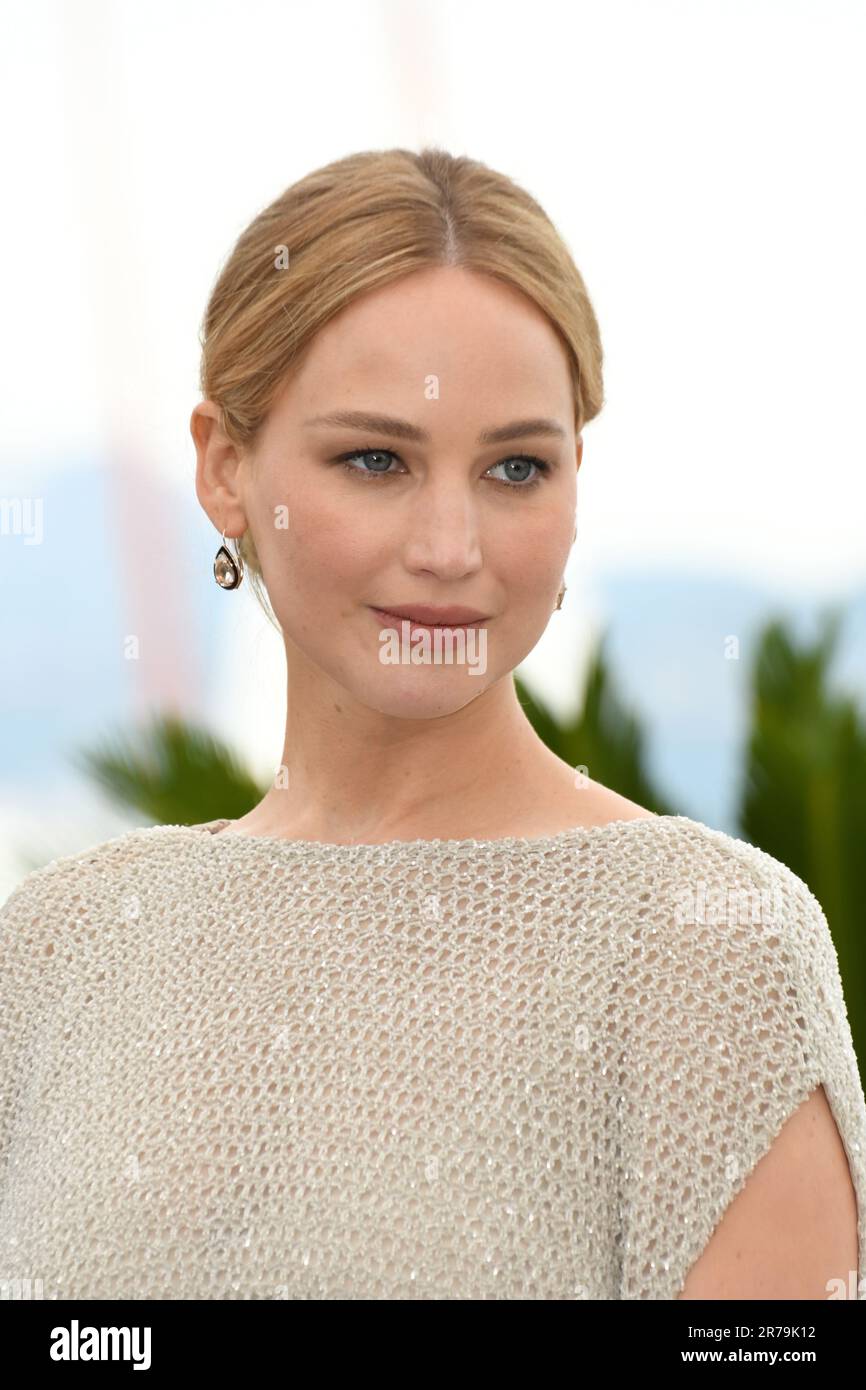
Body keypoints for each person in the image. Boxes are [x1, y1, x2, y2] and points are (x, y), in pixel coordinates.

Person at [0, 148, 863, 1301]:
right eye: (375, 459)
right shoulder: (62, 949)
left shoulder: (704, 951)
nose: (451, 548)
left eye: (515, 468)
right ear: (223, 466)